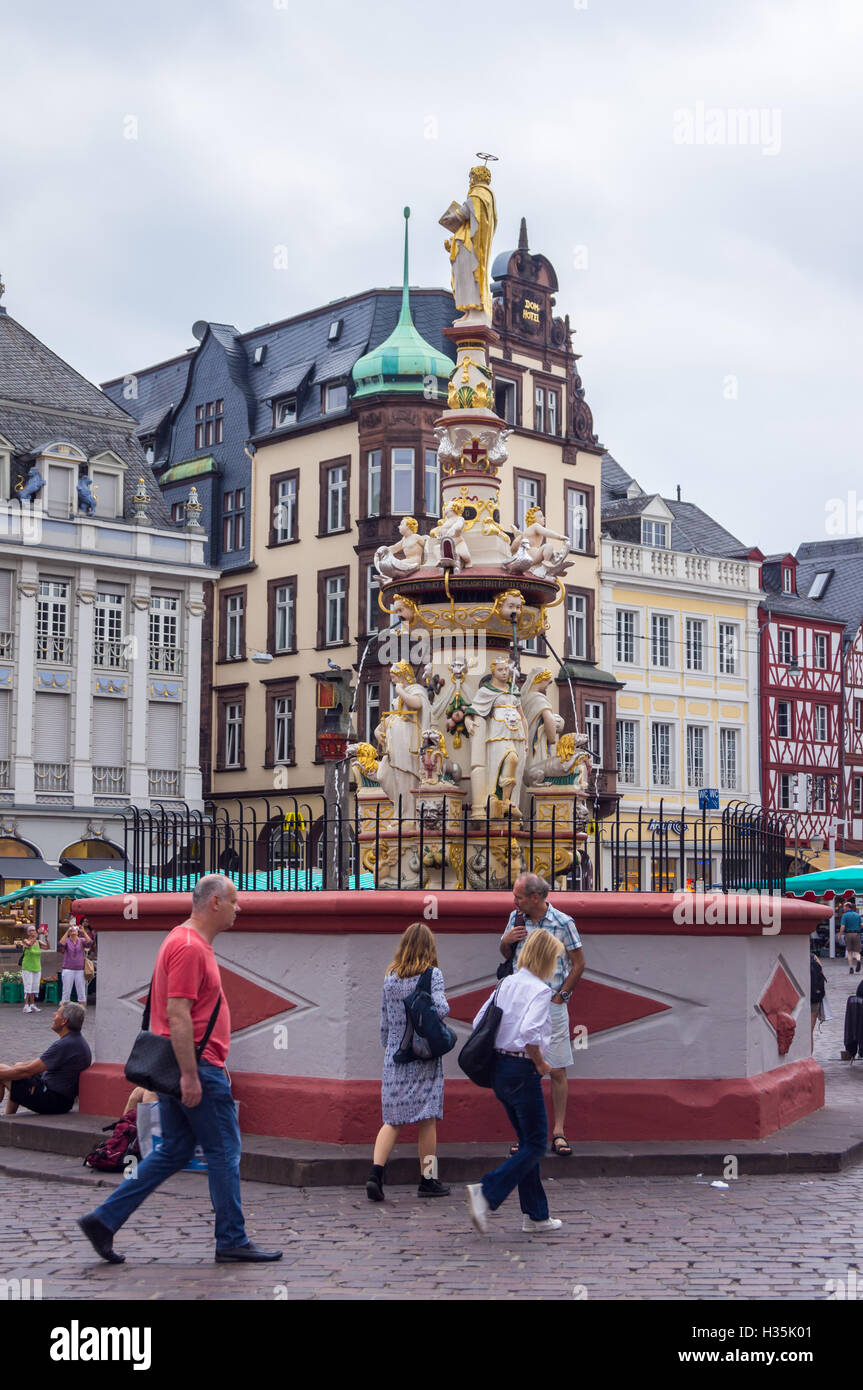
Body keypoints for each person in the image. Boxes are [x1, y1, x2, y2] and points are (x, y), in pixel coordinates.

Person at [77, 874, 281, 1265]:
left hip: (180, 1064)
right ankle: (231, 1239)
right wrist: (190, 1075)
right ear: (215, 903)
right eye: (235, 901)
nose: (240, 908)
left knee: (172, 1150)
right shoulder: (190, 947)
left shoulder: (179, 938)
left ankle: (104, 1219)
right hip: (197, 1067)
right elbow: (178, 1013)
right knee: (224, 1150)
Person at [466, 928, 565, 1235]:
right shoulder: (540, 990)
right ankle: (487, 1192)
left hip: (499, 1069)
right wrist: (542, 1064)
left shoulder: (507, 982)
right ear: (547, 958)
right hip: (522, 1070)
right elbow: (530, 1034)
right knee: (536, 1144)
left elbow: (478, 1020)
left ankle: (536, 1215)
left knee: (527, 1143)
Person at [499, 873, 585, 1156]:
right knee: (524, 1069)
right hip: (522, 1004)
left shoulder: (563, 923)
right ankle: (525, 1133)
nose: (515, 901)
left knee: (557, 1068)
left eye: (519, 897)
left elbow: (578, 963)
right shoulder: (516, 919)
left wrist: (562, 996)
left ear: (535, 897)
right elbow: (505, 955)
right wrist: (506, 940)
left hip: (550, 1003)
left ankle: (558, 1131)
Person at [367, 921, 451, 1202]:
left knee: (392, 1120)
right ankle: (428, 1180)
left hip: (396, 1056)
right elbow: (441, 1009)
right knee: (427, 1118)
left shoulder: (390, 977)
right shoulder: (432, 974)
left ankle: (375, 1176)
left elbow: (385, 1021)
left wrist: (389, 1049)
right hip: (424, 1056)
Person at [0, 1002, 90, 1115]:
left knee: (6, 1073)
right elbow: (39, 1063)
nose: (53, 1015)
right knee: (16, 1068)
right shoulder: (74, 1040)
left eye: (57, 1013)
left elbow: (28, 1070)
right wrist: (18, 1067)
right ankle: (8, 1117)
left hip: (54, 1101)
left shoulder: (66, 1044)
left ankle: (7, 1117)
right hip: (58, 1096)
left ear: (64, 1021)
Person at [14, 923, 49, 1013]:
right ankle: (26, 1006)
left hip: (37, 967)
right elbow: (29, 945)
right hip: (27, 967)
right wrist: (37, 933)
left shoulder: (38, 942)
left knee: (35, 986)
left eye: (34, 930)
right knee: (28, 986)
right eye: (31, 930)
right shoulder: (25, 941)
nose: (33, 932)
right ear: (28, 933)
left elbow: (48, 947)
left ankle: (32, 1005)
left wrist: (46, 937)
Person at [59, 922, 94, 1005]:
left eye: (75, 929)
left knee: (81, 992)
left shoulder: (81, 940)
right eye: (72, 929)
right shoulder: (67, 941)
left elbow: (90, 943)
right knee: (66, 992)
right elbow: (61, 944)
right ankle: (64, 1013)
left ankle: (82, 1012)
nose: (73, 930)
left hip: (80, 970)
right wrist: (67, 931)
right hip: (68, 969)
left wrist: (84, 932)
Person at [810, 951, 827, 1050]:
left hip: (799, 998)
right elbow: (822, 975)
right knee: (809, 1032)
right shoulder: (814, 957)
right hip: (815, 998)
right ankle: (809, 1057)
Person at [840, 898, 862, 974]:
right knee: (857, 951)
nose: (843, 908)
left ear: (847, 907)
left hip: (848, 934)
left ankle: (851, 968)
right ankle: (859, 961)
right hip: (856, 934)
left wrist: (840, 935)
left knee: (849, 952)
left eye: (844, 907)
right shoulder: (857, 915)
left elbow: (842, 926)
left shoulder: (845, 916)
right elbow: (862, 925)